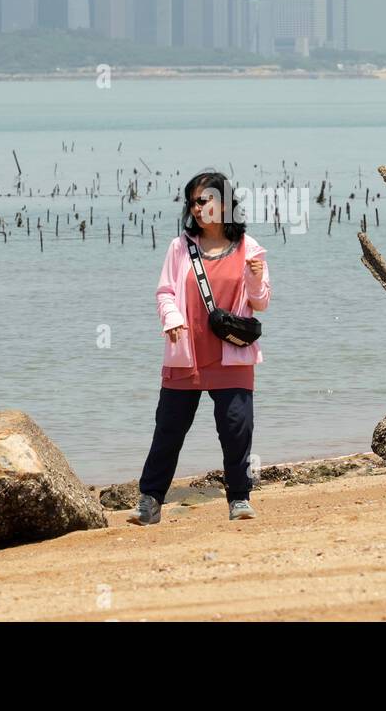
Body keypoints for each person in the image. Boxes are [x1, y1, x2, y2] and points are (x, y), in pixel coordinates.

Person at [127, 170, 270, 525]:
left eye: (204, 199)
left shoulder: (249, 248)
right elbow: (165, 293)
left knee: (236, 429)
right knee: (169, 430)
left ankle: (239, 498)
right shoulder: (180, 247)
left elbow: (261, 302)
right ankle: (150, 501)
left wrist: (254, 276)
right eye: (193, 201)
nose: (197, 207)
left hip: (231, 353)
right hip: (185, 352)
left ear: (224, 203)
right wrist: (172, 319)